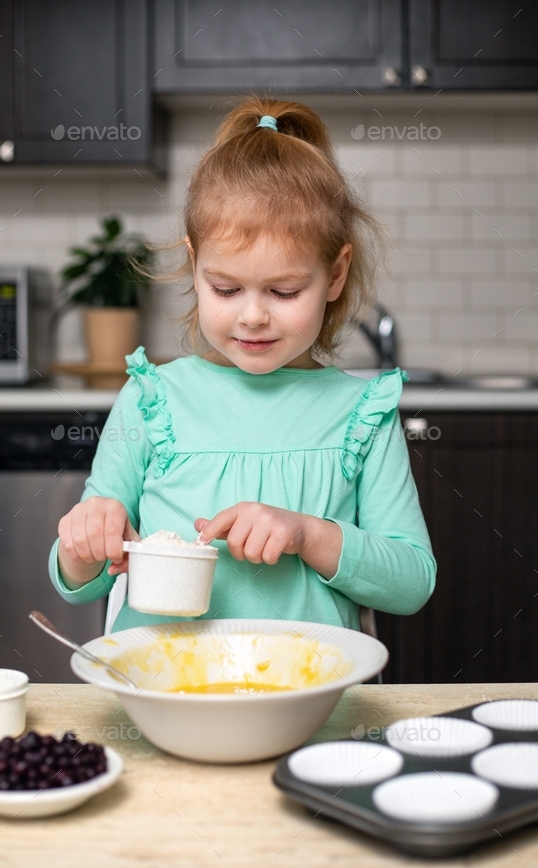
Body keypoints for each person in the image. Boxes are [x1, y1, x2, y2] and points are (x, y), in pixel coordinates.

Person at [49, 96, 436, 634]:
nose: (252, 315)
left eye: (284, 290)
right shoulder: (152, 398)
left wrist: (307, 534)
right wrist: (85, 537)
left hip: (309, 703)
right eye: (225, 288)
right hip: (166, 702)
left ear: (336, 275)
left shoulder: (363, 414)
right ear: (194, 265)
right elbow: (77, 579)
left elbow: (413, 580)